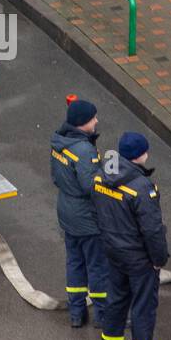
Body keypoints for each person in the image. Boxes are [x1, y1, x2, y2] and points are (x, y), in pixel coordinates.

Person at [92, 132, 171, 340]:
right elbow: (152, 230)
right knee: (143, 307)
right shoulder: (141, 188)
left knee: (116, 299)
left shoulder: (101, 175)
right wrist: (159, 259)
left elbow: (96, 212)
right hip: (139, 259)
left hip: (113, 251)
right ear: (141, 155)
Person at [50, 98, 109, 328]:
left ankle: (76, 313)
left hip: (66, 211)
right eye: (93, 117)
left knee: (74, 262)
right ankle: (103, 316)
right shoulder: (84, 150)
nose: (97, 120)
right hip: (86, 218)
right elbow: (90, 186)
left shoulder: (59, 142)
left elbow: (55, 177)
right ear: (83, 123)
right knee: (97, 266)